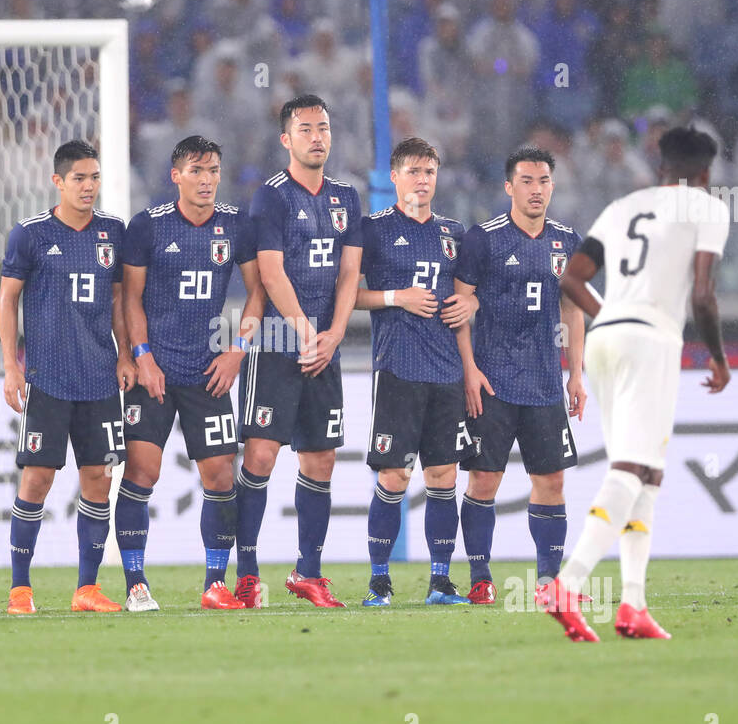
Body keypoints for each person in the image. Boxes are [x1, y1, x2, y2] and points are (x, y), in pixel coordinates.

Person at [543, 126, 731, 641]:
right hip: (651, 342)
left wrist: (612, 316)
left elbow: (572, 278)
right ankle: (568, 583)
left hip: (605, 338)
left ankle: (633, 605)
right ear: (707, 174)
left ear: (660, 166)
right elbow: (703, 295)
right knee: (631, 468)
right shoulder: (708, 209)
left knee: (647, 472)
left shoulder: (623, 206)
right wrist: (717, 357)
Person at [119, 136, 266, 611]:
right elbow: (130, 299)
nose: (206, 180)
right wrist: (141, 356)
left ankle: (214, 584)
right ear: (175, 176)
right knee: (143, 470)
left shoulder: (235, 227)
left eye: (213, 171)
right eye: (196, 171)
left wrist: (237, 352)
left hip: (208, 372)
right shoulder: (148, 227)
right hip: (154, 373)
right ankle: (135, 583)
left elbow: (257, 294)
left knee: (221, 475)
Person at [233, 95, 363, 608]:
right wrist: (306, 331)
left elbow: (350, 273)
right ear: (286, 139)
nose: (317, 136)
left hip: (324, 346)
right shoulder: (271, 197)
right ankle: (246, 573)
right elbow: (271, 271)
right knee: (261, 454)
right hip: (278, 341)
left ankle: (307, 572)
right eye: (306, 128)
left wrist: (333, 334)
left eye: (324, 128)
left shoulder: (346, 197)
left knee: (321, 459)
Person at [0, 140, 136, 615]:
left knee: (99, 477)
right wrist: (10, 366)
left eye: (94, 177)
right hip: (48, 378)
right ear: (58, 181)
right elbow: (7, 300)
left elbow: (119, 301)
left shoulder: (113, 232)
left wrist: (125, 356)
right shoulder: (30, 234)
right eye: (79, 178)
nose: (88, 186)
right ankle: (20, 589)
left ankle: (87, 589)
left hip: (99, 377)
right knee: (37, 479)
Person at [453, 147, 586, 605]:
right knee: (484, 480)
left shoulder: (568, 241)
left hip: (546, 383)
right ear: (509, 186)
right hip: (492, 383)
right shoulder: (483, 239)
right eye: (526, 181)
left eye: (544, 180)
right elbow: (459, 308)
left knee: (552, 481)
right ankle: (480, 577)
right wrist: (469, 370)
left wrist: (576, 374)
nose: (536, 189)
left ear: (553, 185)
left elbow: (573, 307)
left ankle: (550, 582)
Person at [355, 137, 483, 606]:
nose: (422, 180)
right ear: (394, 177)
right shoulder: (373, 230)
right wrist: (396, 297)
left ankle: (440, 581)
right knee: (393, 477)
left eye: (429, 171)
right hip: (398, 370)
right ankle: (379, 581)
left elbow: (469, 296)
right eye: (413, 171)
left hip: (447, 372)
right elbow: (345, 295)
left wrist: (471, 302)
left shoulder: (455, 233)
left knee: (444, 476)